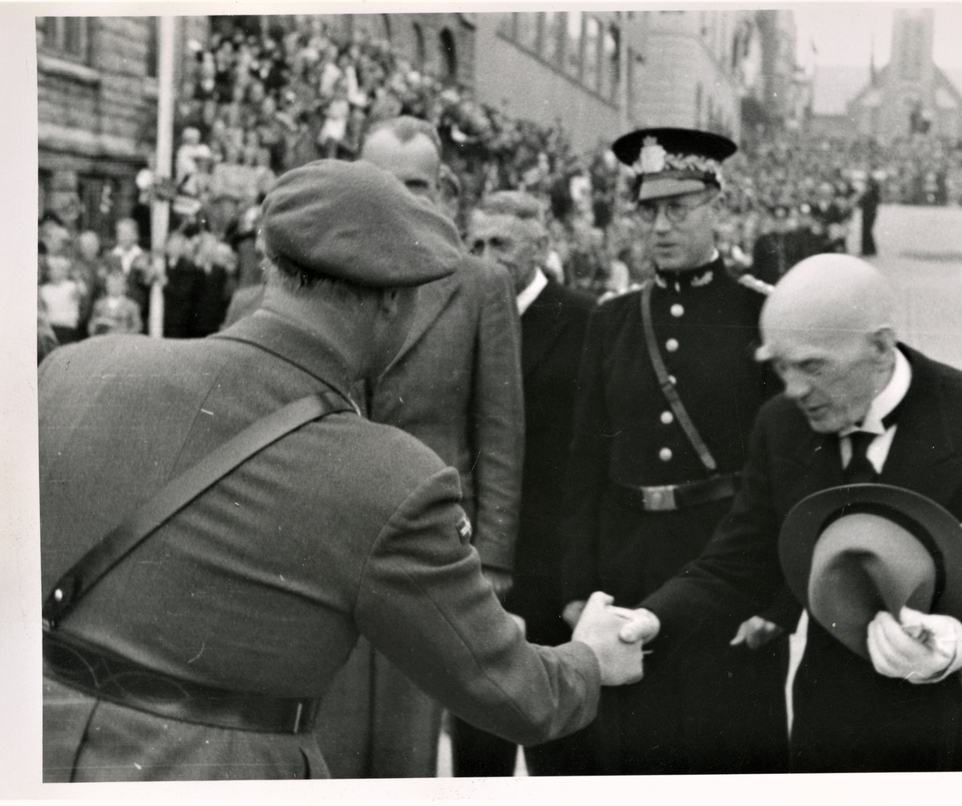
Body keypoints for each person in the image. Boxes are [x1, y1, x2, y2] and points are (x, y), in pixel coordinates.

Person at [39, 159, 643, 783]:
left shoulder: (78, 368)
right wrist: (590, 659)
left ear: (272, 266)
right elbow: (515, 694)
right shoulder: (393, 477)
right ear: (393, 303)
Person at [616, 254, 962, 772]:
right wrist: (648, 619)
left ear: (880, 347)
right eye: (780, 366)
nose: (794, 389)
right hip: (835, 738)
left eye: (813, 366)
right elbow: (737, 563)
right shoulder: (781, 425)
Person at [560, 127, 790, 775]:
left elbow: (789, 469)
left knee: (730, 747)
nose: (661, 227)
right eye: (650, 211)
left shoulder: (762, 316)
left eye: (679, 209)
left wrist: (778, 600)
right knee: (632, 752)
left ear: (718, 208)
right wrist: (579, 588)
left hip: (729, 566)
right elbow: (584, 465)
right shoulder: (613, 320)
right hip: (628, 567)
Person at [315, 116, 525, 779]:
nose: (402, 199)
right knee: (332, 731)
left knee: (409, 739)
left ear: (442, 190)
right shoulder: (320, 275)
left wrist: (491, 556)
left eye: (417, 184)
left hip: (431, 541)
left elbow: (500, 429)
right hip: (331, 535)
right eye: (383, 182)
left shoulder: (480, 284)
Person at [452, 191, 599, 776]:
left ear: (540, 247)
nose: (487, 258)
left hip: (551, 567)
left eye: (502, 245)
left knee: (561, 753)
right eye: (477, 244)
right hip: (472, 567)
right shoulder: (456, 317)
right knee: (476, 751)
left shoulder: (586, 320)